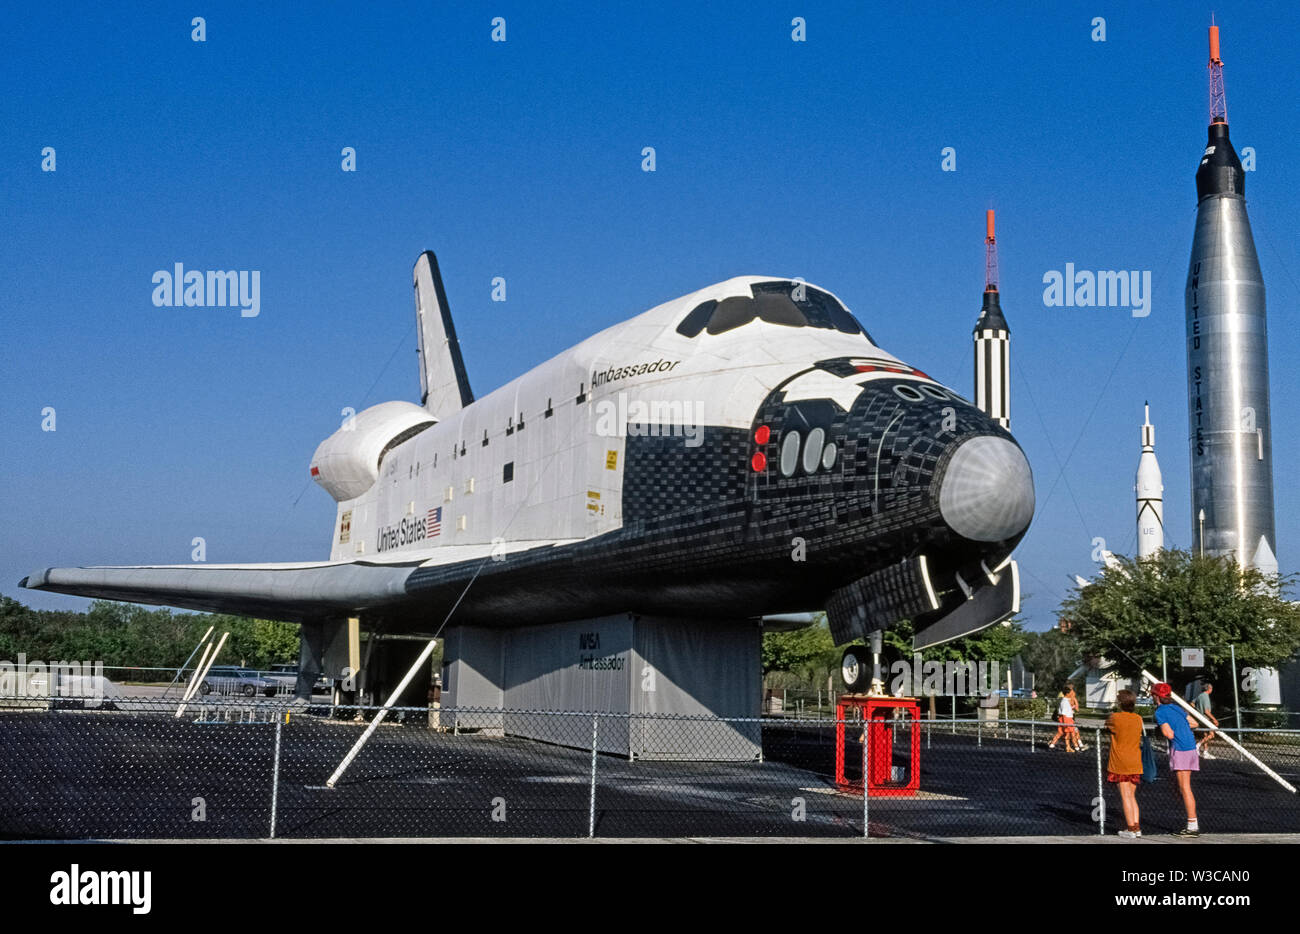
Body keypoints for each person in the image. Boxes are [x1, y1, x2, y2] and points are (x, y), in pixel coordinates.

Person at [1153, 682, 1200, 837]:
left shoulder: (1160, 712)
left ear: (1157, 696)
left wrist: (1173, 730)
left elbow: (1168, 734)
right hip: (1191, 747)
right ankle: (1192, 824)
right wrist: (1181, 727)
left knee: (1184, 788)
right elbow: (1194, 723)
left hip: (1180, 748)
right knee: (1184, 787)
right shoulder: (1177, 708)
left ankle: (1192, 826)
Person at [1105, 689, 1145, 838]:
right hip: (1135, 760)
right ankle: (1136, 826)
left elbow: (1107, 725)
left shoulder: (1115, 717)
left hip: (1120, 761)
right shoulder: (1138, 718)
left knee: (1125, 796)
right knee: (1132, 795)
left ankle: (1130, 828)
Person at [1049, 685, 1082, 752]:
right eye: (1072, 692)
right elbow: (1064, 714)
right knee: (1072, 733)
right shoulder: (1065, 702)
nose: (1073, 693)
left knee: (1060, 732)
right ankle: (1077, 748)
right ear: (1068, 693)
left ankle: (1052, 745)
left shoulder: (1066, 701)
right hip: (1066, 720)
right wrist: (1066, 724)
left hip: (1066, 719)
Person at [1194, 682, 1219, 759]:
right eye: (1211, 688)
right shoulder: (1205, 696)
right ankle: (1197, 745)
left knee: (1205, 735)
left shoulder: (1199, 696)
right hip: (1205, 719)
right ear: (1209, 689)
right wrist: (1214, 719)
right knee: (1211, 734)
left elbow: (1192, 703)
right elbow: (1206, 711)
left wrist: (1197, 710)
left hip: (1200, 718)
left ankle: (1205, 752)